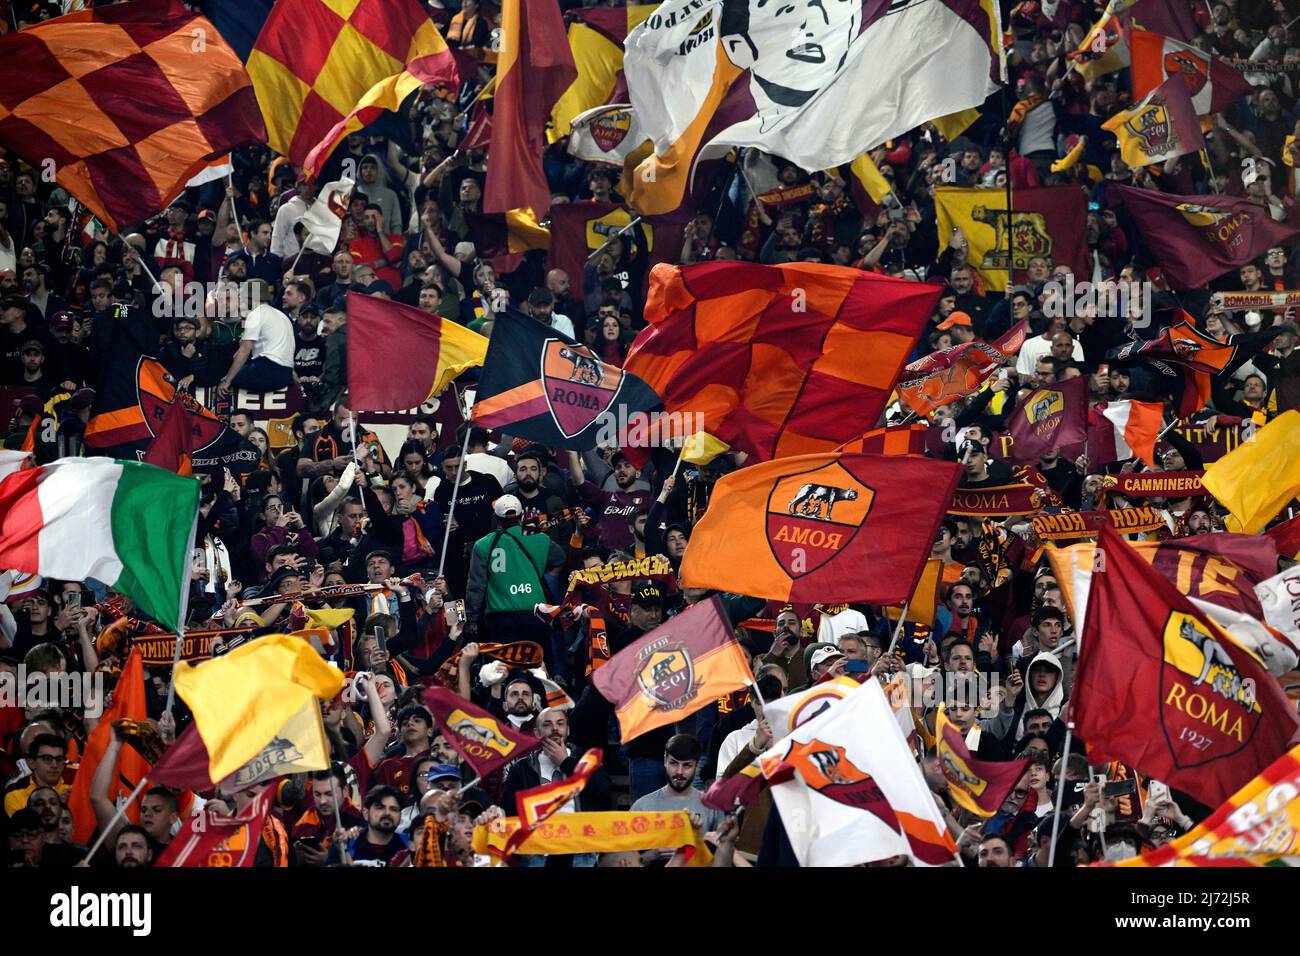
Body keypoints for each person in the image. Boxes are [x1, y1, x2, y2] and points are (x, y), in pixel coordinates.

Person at [629, 734, 724, 864]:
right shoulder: (641, 806)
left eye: (687, 765)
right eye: (674, 763)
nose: (679, 771)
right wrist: (653, 855)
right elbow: (624, 860)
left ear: (697, 766)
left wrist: (696, 844)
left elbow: (723, 857)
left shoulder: (712, 806)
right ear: (665, 761)